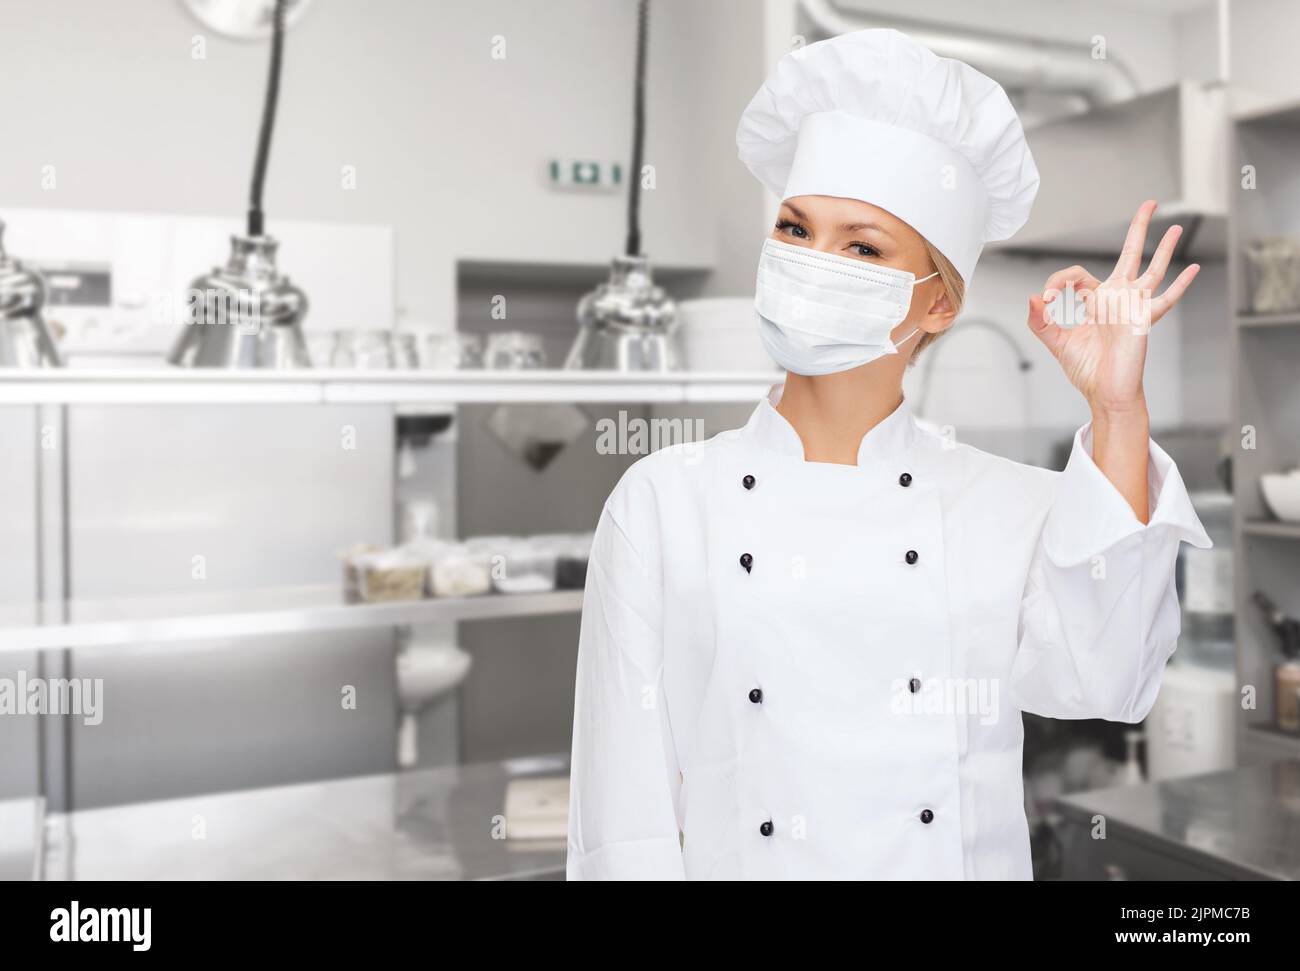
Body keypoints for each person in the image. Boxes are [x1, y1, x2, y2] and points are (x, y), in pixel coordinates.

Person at [566, 28, 1211, 880]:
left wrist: (1116, 408)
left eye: (862, 246)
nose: (810, 263)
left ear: (939, 302)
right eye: (796, 230)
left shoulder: (1010, 505)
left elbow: (1108, 683)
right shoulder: (661, 501)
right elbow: (624, 826)